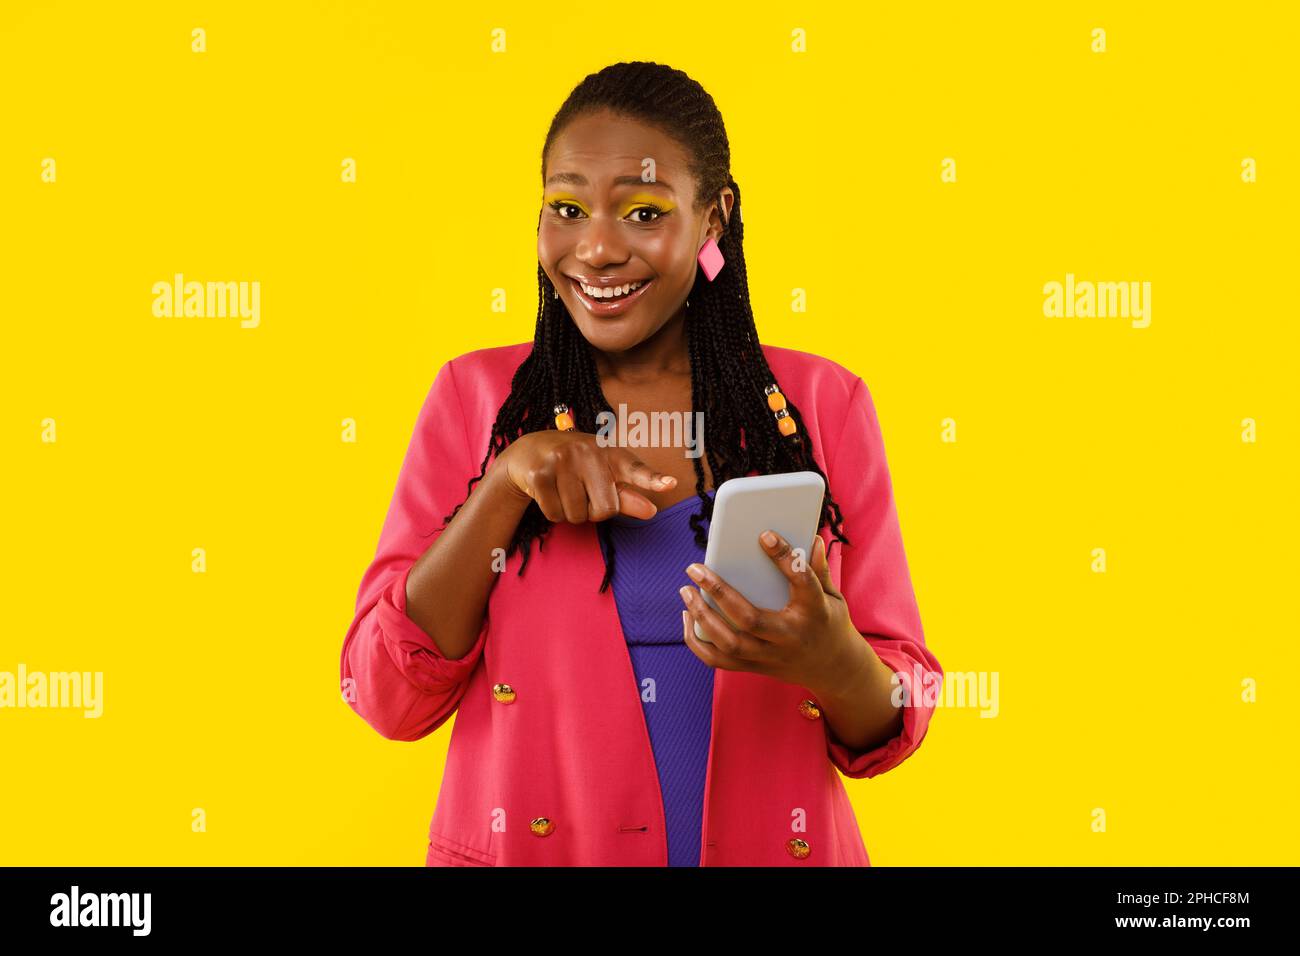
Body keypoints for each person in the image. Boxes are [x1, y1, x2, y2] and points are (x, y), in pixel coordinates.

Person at [340, 61, 942, 867]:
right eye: (567, 208)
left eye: (643, 212)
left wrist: (831, 659)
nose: (595, 248)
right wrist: (505, 482)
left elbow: (900, 713)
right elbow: (384, 696)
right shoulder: (475, 399)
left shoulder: (820, 405)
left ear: (713, 219)